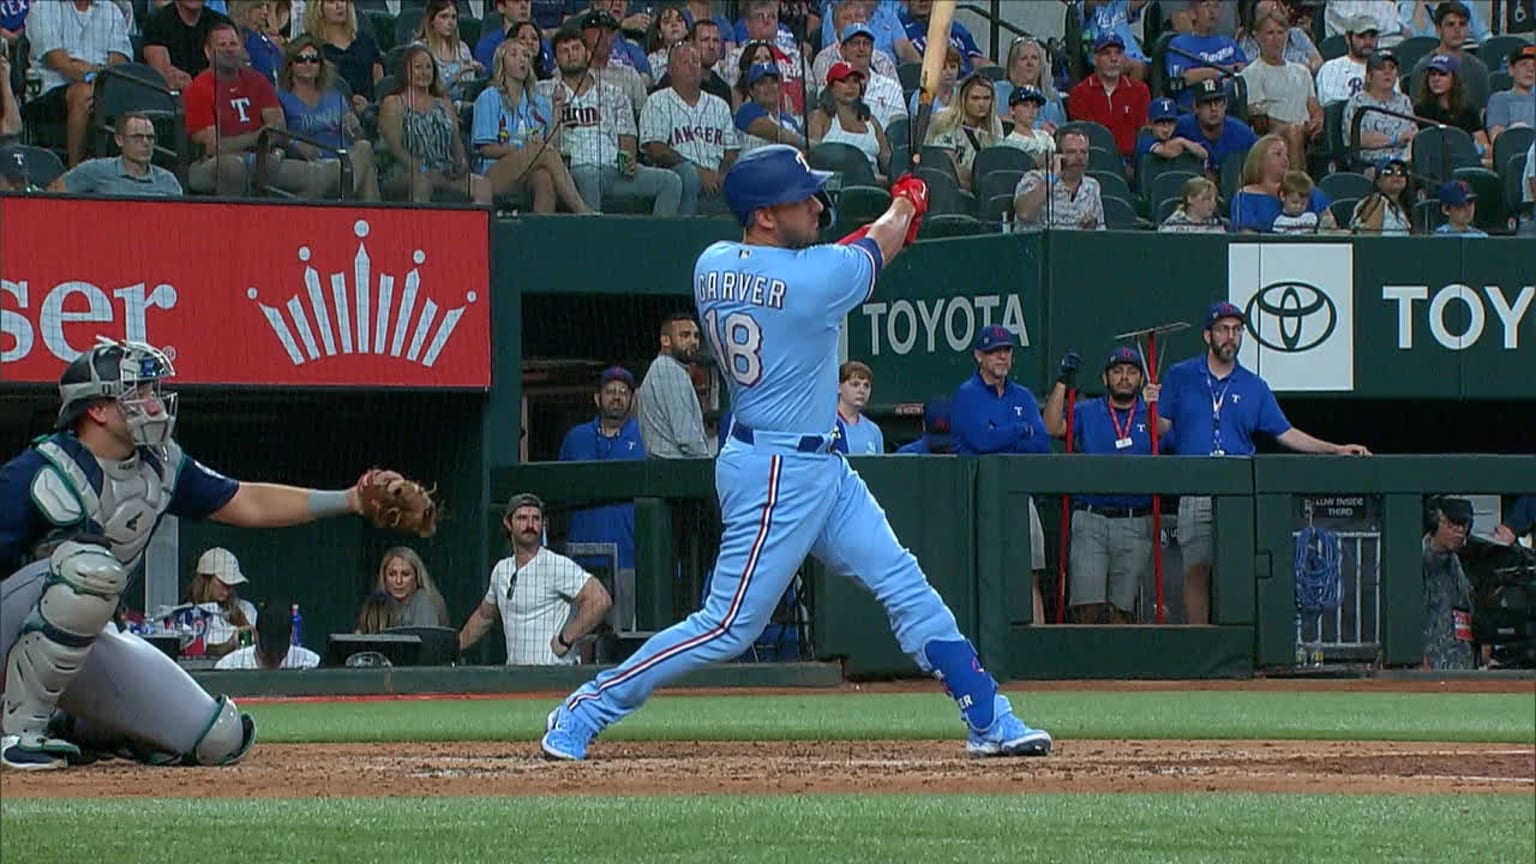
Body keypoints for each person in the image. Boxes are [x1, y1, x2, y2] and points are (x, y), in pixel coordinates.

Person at [542, 146, 1052, 762]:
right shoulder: (808, 278)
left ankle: (988, 715)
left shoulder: (713, 263)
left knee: (904, 581)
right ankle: (587, 705)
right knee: (727, 625)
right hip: (777, 473)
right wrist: (909, 201)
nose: (817, 205)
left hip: (812, 463)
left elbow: (845, 254)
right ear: (762, 214)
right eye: (801, 196)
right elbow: (869, 248)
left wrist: (892, 224)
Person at [0, 338, 418, 770]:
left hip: (75, 649)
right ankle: (20, 733)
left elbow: (247, 501)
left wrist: (349, 500)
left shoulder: (159, 466)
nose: (152, 402)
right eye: (136, 392)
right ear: (97, 410)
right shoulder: (40, 471)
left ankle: (72, 724)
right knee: (89, 572)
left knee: (219, 737)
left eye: (151, 389)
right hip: (8, 634)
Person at [1157, 303, 1370, 625]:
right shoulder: (1181, 375)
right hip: (1196, 486)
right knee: (1196, 569)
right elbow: (1160, 429)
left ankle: (1239, 645)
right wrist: (1147, 405)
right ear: (1207, 335)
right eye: (1223, 329)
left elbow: (1286, 433)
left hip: (1239, 490)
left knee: (1238, 570)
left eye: (1237, 330)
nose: (1231, 337)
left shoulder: (1253, 385)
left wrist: (1336, 449)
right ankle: (1199, 644)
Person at [1043, 348, 1159, 624]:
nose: (1124, 378)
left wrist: (1158, 404)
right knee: (1088, 607)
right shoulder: (1088, 410)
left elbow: (1171, 435)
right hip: (1091, 518)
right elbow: (1050, 427)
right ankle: (1087, 667)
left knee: (1124, 610)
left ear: (1141, 379)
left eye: (1131, 372)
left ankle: (1121, 667)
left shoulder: (1152, 414)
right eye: (1117, 372)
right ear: (1105, 378)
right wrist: (1062, 383)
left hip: (1135, 520)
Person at [950, 324, 1051, 626]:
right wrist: (1019, 431)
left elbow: (1041, 444)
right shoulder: (967, 394)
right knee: (984, 576)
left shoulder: (1023, 396)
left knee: (1029, 574)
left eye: (1006, 350)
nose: (1002, 357)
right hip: (981, 495)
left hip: (1020, 496)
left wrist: (1002, 434)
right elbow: (980, 440)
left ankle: (1036, 644)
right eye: (994, 351)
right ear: (979, 356)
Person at [459, 494, 614, 666]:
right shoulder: (501, 570)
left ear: (543, 524)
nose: (530, 525)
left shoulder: (556, 564)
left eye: (535, 519)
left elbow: (600, 599)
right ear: (508, 523)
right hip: (515, 679)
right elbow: (484, 617)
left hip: (553, 677)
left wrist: (566, 639)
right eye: (522, 518)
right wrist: (455, 648)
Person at [473, 39, 592, 212]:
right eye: (514, 55)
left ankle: (540, 234)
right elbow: (485, 149)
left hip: (529, 170)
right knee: (539, 151)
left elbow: (553, 149)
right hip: (494, 172)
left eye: (526, 56)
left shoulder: (539, 103)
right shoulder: (489, 97)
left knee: (545, 179)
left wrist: (557, 108)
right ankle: (582, 210)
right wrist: (521, 150)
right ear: (501, 62)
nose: (521, 60)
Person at [559, 366, 647, 576]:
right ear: (598, 398)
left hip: (628, 556)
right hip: (579, 557)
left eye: (623, 392)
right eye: (610, 391)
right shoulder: (576, 438)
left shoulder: (646, 438)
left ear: (632, 401)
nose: (617, 397)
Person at [379, 44, 493, 205]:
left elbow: (456, 142)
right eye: (418, 67)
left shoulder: (444, 103)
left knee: (482, 185)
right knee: (422, 181)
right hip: (405, 169)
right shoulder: (393, 102)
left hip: (444, 170)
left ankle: (471, 230)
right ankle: (420, 230)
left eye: (428, 67)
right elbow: (395, 148)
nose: (424, 72)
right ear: (406, 71)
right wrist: (422, 167)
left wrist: (461, 162)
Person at [637, 311, 710, 458]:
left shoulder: (663, 368)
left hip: (664, 468)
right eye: (685, 335)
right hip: (675, 470)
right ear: (665, 341)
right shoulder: (669, 371)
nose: (693, 341)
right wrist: (708, 465)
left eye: (696, 336)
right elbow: (687, 438)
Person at [60, 112, 185, 197]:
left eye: (150, 137)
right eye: (137, 137)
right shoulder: (95, 170)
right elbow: (52, 197)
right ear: (119, 140)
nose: (146, 143)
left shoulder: (168, 181)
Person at [1230, 133, 1333, 233]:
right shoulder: (1244, 197)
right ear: (1259, 160)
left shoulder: (1306, 188)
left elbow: (1329, 224)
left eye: (1286, 155)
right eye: (1278, 154)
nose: (1285, 159)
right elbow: (1246, 236)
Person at [1421, 496, 1475, 670]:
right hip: (1429, 663)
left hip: (1461, 662)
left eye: (1463, 526)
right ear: (1436, 523)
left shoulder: (1460, 562)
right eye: (1452, 525)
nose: (1459, 531)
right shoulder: (1419, 560)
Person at [1412, 54, 1489, 166]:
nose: (1436, 79)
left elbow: (1485, 147)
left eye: (1442, 74)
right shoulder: (1420, 110)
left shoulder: (1467, 110)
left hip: (1464, 163)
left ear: (1454, 79)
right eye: (1432, 74)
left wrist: (1477, 150)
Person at [182, 546, 258, 658]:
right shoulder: (186, 615)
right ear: (205, 579)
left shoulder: (247, 609)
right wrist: (228, 645)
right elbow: (193, 654)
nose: (229, 588)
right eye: (223, 582)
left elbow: (248, 652)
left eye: (232, 584)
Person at [1343, 50, 1414, 166]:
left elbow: (1413, 133)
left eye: (1392, 68)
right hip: (1371, 163)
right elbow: (1355, 139)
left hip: (1404, 163)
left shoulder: (1404, 101)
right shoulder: (1358, 103)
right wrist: (1394, 139)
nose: (1387, 72)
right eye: (1381, 68)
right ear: (1370, 76)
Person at [213, 604, 321, 670]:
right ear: (255, 634)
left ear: (292, 635)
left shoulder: (310, 662)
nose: (274, 657)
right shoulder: (229, 666)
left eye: (280, 651)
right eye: (268, 651)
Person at [373, 547, 450, 628]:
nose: (398, 581)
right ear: (384, 578)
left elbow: (426, 639)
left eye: (405, 574)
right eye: (392, 574)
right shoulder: (378, 605)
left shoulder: (424, 602)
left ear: (417, 577)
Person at [1349, 156, 1412, 234]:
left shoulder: (1406, 207)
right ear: (1378, 181)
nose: (1396, 175)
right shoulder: (1375, 202)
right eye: (1388, 171)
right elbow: (1370, 238)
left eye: (1401, 172)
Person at [835, 361, 884, 455]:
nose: (862, 390)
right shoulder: (826, 425)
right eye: (855, 384)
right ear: (839, 387)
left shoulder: (873, 431)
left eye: (866, 385)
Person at [1000, 87, 1055, 168]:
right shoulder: (1008, 144)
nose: (1031, 110)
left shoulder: (1045, 137)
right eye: (1025, 105)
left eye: (1035, 106)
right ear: (1012, 110)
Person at [1158, 175, 1225, 232]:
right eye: (1207, 199)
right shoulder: (1172, 225)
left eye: (1215, 199)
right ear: (1190, 199)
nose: (1213, 204)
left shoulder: (1217, 223)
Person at [1271, 169, 1319, 233]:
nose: (1298, 207)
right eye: (1294, 202)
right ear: (1282, 196)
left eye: (1303, 203)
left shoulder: (1312, 218)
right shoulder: (1279, 222)